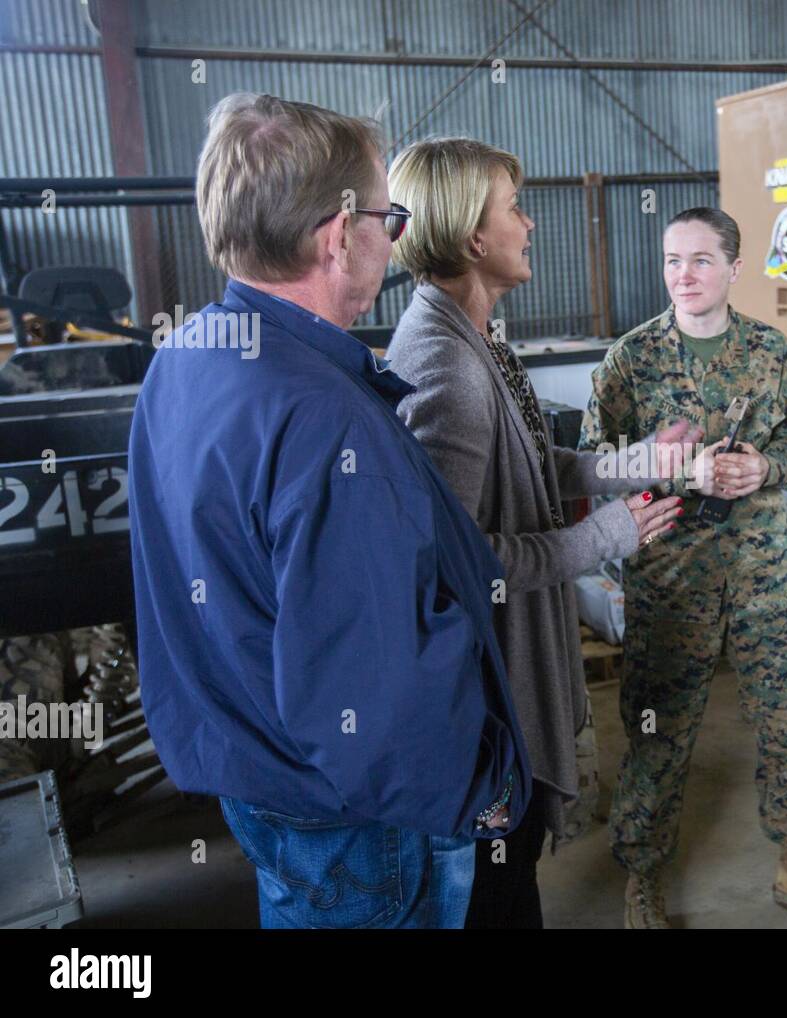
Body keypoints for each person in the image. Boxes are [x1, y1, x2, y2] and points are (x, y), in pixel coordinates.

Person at [129, 94, 529, 930]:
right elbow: (377, 689)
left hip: (256, 771)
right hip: (354, 818)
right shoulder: (326, 422)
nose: (396, 235)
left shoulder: (189, 355)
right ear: (337, 236)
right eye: (389, 215)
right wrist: (479, 793)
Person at [385, 137, 696, 929]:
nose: (531, 224)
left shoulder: (477, 335)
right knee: (500, 890)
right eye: (514, 208)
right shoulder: (444, 366)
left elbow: (530, 462)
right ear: (471, 236)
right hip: (486, 701)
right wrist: (606, 538)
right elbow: (458, 563)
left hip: (509, 677)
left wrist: (633, 464)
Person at [579, 207, 787, 930]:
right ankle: (643, 875)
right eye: (672, 260)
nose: (684, 274)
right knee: (659, 728)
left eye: (702, 260)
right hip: (671, 577)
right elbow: (593, 470)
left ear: (736, 268)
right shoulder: (631, 360)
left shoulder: (774, 354)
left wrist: (764, 466)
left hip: (763, 574)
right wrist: (676, 464)